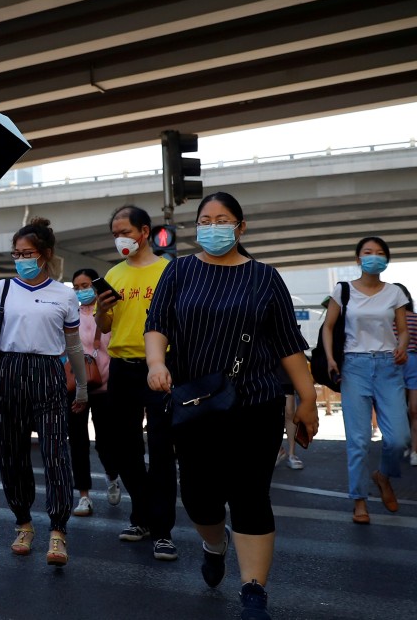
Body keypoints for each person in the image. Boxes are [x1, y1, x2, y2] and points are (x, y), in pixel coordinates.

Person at [145, 191, 318, 620]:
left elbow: (288, 345)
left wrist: (309, 399)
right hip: (196, 401)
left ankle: (253, 589)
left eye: (223, 220)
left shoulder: (264, 278)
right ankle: (214, 542)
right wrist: (156, 363)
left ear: (241, 228)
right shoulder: (179, 272)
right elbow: (158, 324)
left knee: (250, 493)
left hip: (256, 402)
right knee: (200, 497)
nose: (213, 227)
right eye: (205, 219)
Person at [0, 218, 88, 567]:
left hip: (49, 374)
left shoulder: (64, 294)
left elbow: (74, 346)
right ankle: (23, 523)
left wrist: (82, 386)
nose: (21, 259)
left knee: (56, 453)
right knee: (12, 453)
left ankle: (58, 530)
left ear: (46, 255)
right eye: (16, 253)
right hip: (8, 371)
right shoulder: (3, 288)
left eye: (28, 253)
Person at [93, 205, 177, 560]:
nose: (120, 239)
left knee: (160, 451)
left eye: (125, 231)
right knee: (122, 448)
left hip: (160, 367)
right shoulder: (114, 272)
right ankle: (142, 515)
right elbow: (105, 326)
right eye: (115, 233)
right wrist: (101, 308)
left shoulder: (170, 270)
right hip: (123, 368)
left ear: (144, 232)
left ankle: (162, 531)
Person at [321, 236, 409, 523]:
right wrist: (332, 359)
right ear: (358, 259)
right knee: (358, 440)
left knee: (399, 438)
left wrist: (403, 346)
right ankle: (359, 500)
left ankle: (382, 475)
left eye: (380, 253)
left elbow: (402, 329)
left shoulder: (395, 292)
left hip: (388, 366)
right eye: (368, 252)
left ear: (387, 259)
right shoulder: (343, 290)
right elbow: (329, 326)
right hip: (354, 366)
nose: (374, 257)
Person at [69, 268, 121, 514]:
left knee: (106, 441)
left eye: (85, 284)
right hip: (76, 387)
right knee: (77, 441)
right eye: (77, 286)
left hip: (106, 388)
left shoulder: (110, 314)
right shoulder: (70, 315)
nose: (81, 290)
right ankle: (84, 496)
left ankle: (112, 477)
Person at [395, 284, 417, 467]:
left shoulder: (415, 319)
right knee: (398, 410)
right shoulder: (386, 321)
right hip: (392, 366)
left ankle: (414, 449)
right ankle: (404, 444)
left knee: (414, 410)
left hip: (413, 365)